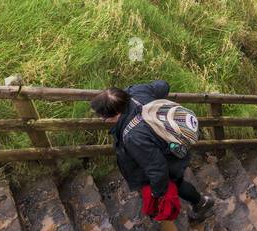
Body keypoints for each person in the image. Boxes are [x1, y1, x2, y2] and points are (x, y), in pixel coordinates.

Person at [90, 80, 214, 221]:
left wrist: (157, 192)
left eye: (104, 117)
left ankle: (202, 203)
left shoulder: (134, 136)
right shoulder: (137, 91)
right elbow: (164, 85)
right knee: (177, 182)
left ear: (117, 113)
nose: (102, 119)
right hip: (170, 146)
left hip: (168, 159)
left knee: (177, 184)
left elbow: (157, 168)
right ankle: (200, 202)